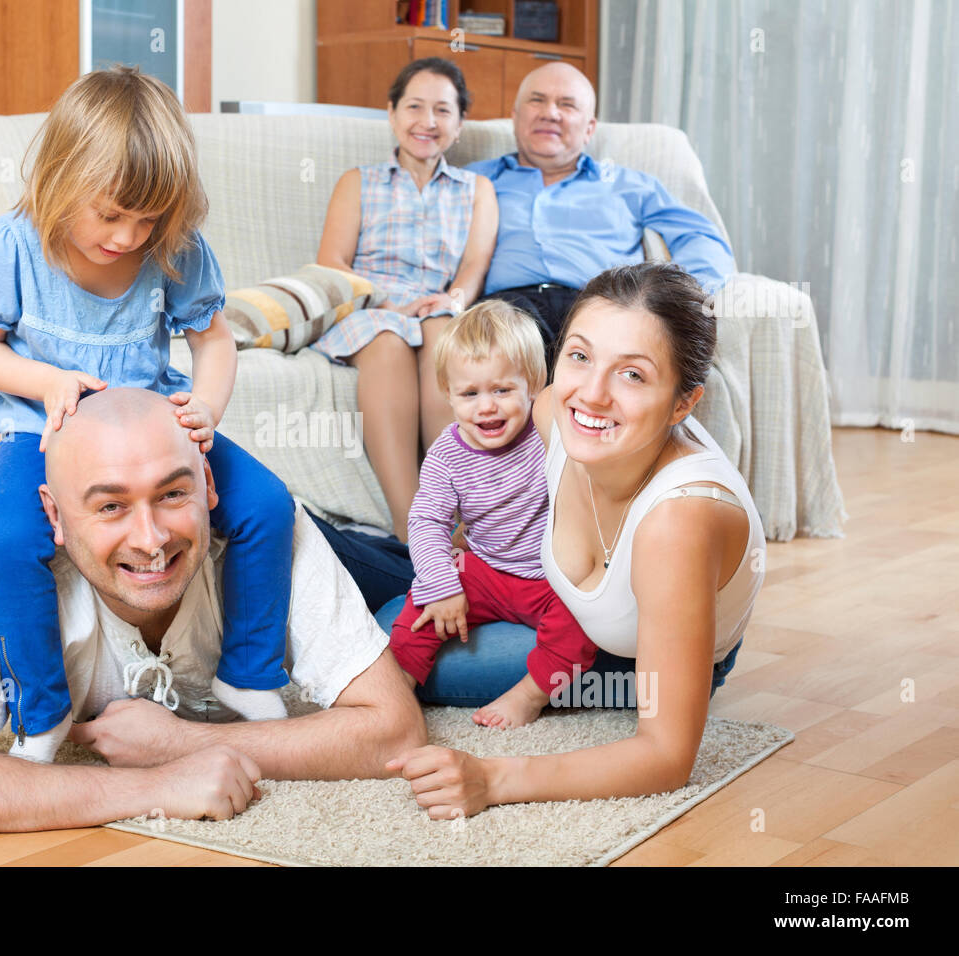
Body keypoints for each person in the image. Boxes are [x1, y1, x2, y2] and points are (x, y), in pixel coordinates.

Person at [0, 389, 427, 833]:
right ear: (54, 515)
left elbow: (395, 732)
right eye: (110, 506)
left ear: (207, 484)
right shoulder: (3, 567)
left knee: (437, 585)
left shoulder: (269, 534)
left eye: (171, 495)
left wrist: (179, 745)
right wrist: (157, 787)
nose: (151, 540)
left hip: (358, 556)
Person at [0, 67, 296, 763]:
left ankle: (248, 674)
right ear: (58, 180)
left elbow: (214, 338)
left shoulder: (175, 248)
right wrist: (46, 382)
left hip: (151, 428)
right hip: (39, 432)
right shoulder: (9, 246)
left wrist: (204, 407)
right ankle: (41, 710)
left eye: (150, 219)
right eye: (111, 215)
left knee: (267, 504)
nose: (130, 236)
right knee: (9, 541)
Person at [385, 262, 765, 817]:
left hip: (630, 657)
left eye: (632, 374)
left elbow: (666, 756)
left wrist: (494, 779)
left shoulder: (677, 521)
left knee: (383, 636)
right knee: (406, 606)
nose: (591, 395)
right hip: (532, 599)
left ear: (683, 403)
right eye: (580, 357)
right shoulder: (551, 412)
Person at [312, 57, 499, 541]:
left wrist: (452, 301)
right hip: (369, 307)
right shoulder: (359, 182)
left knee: (443, 337)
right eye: (414, 107)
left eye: (442, 110)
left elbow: (473, 266)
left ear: (459, 125)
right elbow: (332, 261)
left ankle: (454, 516)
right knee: (391, 340)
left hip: (438, 307)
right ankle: (409, 524)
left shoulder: (477, 190)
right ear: (392, 114)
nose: (427, 122)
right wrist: (389, 304)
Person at [388, 301, 596, 728]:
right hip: (485, 568)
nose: (486, 407)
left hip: (549, 576)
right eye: (469, 394)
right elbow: (427, 522)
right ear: (447, 394)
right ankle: (392, 696)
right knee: (417, 610)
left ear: (535, 386)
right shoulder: (447, 456)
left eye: (502, 390)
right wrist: (442, 585)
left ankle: (529, 696)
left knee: (583, 621)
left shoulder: (547, 432)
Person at [467, 62, 735, 357]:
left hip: (599, 307)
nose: (550, 113)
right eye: (537, 100)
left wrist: (677, 296)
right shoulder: (472, 180)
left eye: (567, 105)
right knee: (505, 354)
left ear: (589, 128)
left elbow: (701, 237)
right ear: (515, 117)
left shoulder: (629, 184)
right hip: (504, 313)